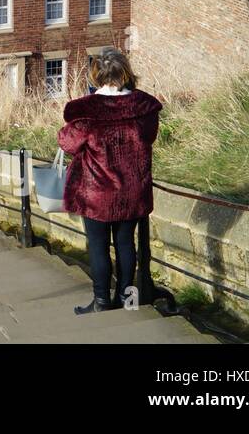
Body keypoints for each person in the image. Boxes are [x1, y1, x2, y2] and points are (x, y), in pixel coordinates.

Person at [58, 49, 161, 315]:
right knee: (126, 244)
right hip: (132, 190)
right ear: (125, 72)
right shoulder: (144, 108)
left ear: (96, 75)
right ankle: (127, 300)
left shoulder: (86, 110)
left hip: (96, 194)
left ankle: (102, 302)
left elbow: (67, 143)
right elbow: (149, 137)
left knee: (99, 246)